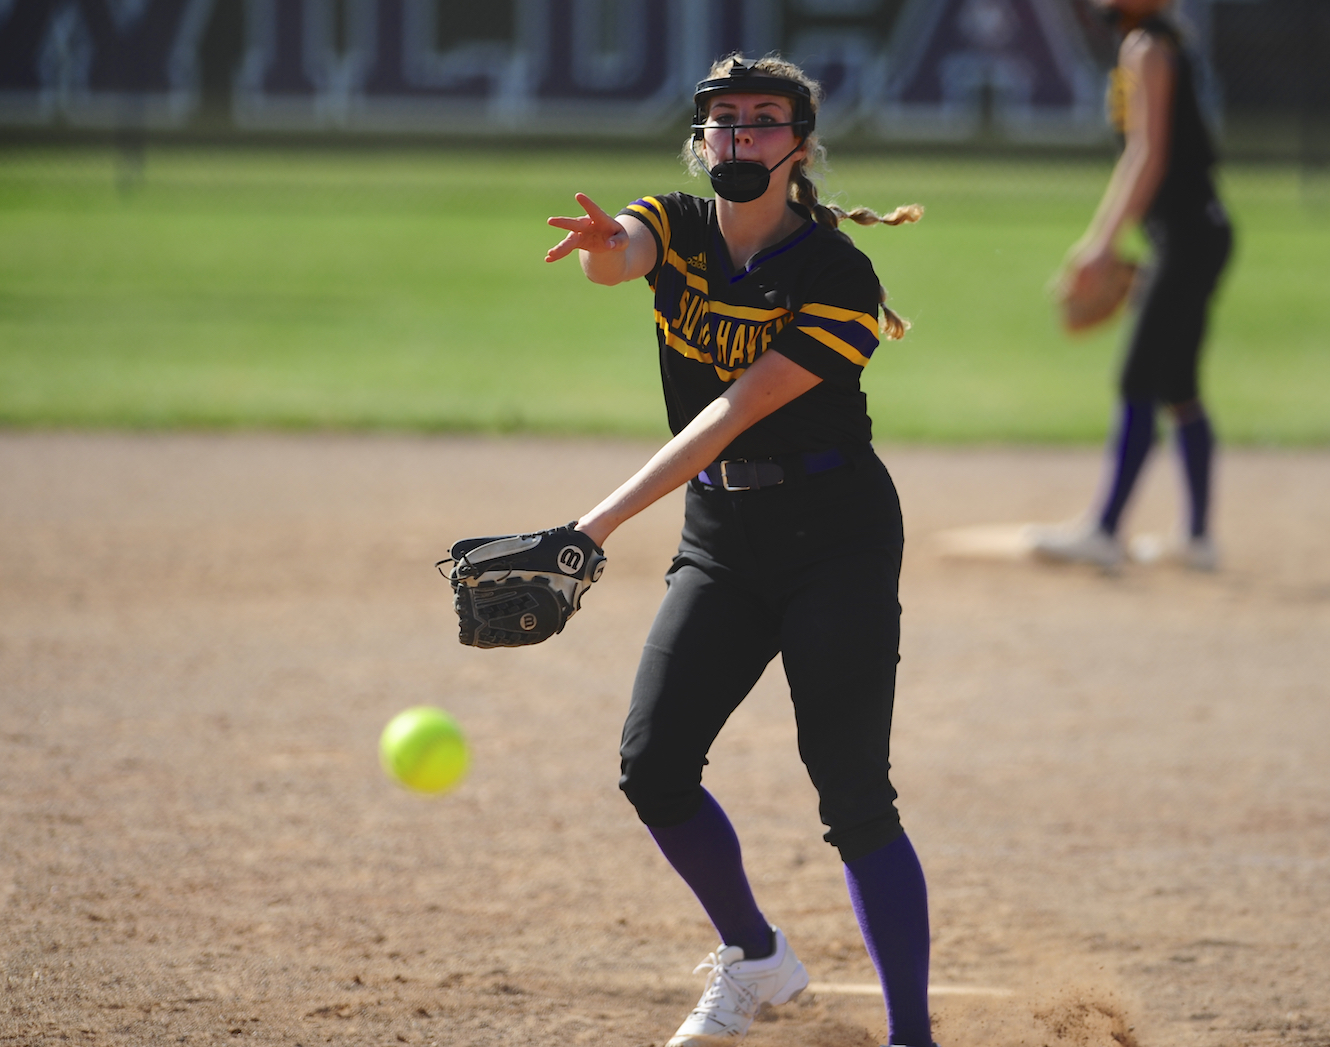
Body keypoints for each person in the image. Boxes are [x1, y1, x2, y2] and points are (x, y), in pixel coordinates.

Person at [544, 53, 932, 1047]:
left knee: (851, 795)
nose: (738, 136)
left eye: (762, 121)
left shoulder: (837, 275)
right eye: (722, 121)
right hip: (721, 537)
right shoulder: (672, 227)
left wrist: (592, 528)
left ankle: (910, 1038)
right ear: (700, 140)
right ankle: (757, 958)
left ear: (799, 147)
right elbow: (617, 253)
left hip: (834, 538)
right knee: (653, 765)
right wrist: (600, 244)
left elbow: (730, 413)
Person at [1031, 0, 1233, 571]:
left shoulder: (1147, 47)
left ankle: (1105, 529)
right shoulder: (1159, 41)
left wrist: (1101, 243)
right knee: (1178, 384)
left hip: (1189, 237)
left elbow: (1149, 153)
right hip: (1196, 234)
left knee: (1138, 380)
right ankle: (1196, 540)